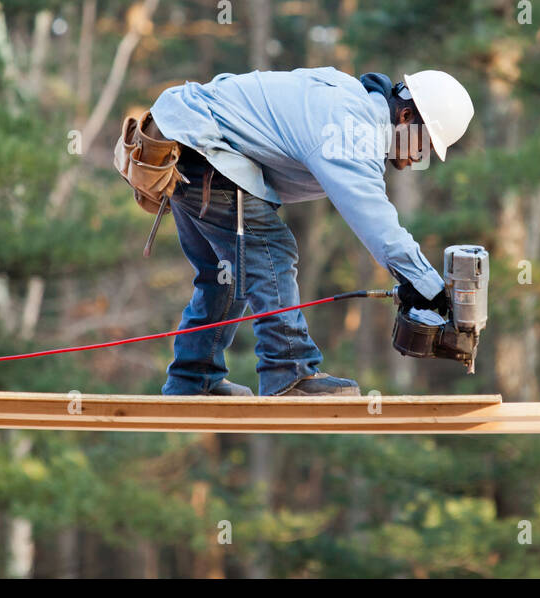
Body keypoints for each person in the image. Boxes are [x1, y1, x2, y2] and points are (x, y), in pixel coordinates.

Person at [147, 66, 474, 396]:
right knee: (273, 251)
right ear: (405, 117)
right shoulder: (352, 127)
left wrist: (418, 281)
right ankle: (288, 371)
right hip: (200, 145)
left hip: (182, 138)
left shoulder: (348, 104)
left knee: (225, 273)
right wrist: (426, 283)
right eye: (427, 144)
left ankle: (194, 378)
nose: (423, 156)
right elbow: (374, 219)